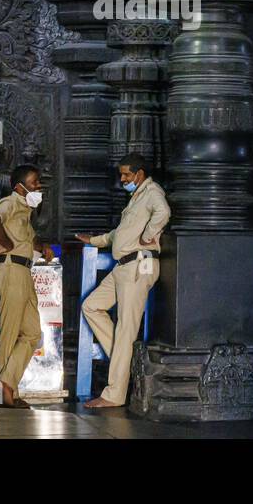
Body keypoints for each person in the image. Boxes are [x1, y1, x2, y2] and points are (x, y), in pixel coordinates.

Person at [77, 154, 170, 409]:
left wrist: (150, 235)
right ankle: (125, 364)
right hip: (123, 267)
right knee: (91, 306)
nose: (123, 179)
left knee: (126, 330)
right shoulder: (136, 198)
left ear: (139, 174)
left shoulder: (152, 192)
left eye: (126, 175)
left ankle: (114, 394)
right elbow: (119, 234)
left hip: (138, 266)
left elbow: (164, 212)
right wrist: (93, 240)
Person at [0, 164, 52, 409]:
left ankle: (7, 383)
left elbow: (29, 238)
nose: (39, 186)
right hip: (11, 269)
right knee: (11, 333)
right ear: (19, 187)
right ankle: (6, 393)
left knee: (32, 333)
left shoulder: (24, 210)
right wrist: (7, 244)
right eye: (34, 182)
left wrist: (42, 246)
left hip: (23, 271)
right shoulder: (10, 202)